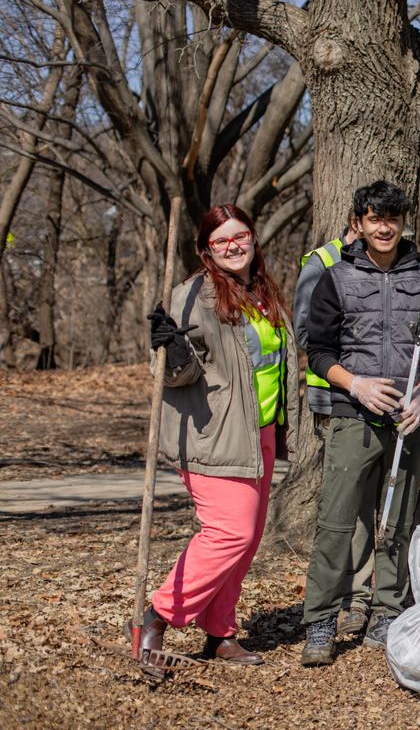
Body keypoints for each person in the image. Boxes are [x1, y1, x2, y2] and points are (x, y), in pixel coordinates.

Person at [299, 180, 420, 665]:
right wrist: (357, 386)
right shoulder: (336, 277)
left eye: (391, 218)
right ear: (358, 223)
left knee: (398, 517)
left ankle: (387, 609)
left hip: (408, 418)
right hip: (353, 415)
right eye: (373, 218)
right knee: (336, 521)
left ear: (403, 221)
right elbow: (318, 351)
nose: (383, 227)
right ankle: (321, 618)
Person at [140, 204, 299, 667]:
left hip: (261, 432)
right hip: (214, 433)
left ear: (252, 238)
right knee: (229, 532)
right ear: (207, 249)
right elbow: (174, 375)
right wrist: (170, 352)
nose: (233, 246)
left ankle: (220, 633)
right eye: (221, 241)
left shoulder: (261, 291)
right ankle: (158, 615)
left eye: (240, 236)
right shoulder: (191, 296)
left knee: (247, 539)